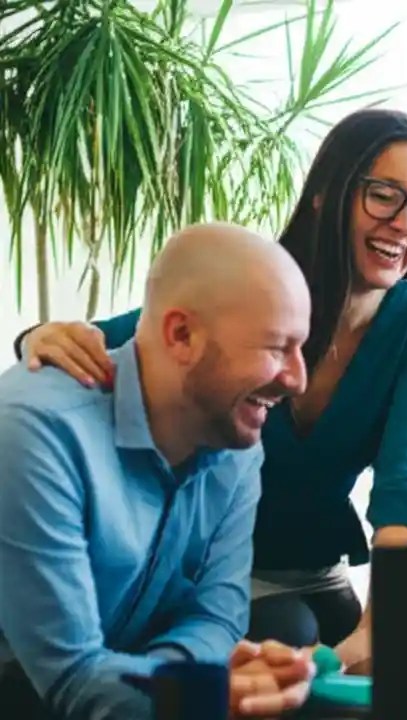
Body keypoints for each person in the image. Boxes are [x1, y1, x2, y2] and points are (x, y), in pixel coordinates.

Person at [13, 109, 407, 669]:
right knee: (290, 639)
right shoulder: (262, 285)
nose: (406, 223)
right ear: (326, 194)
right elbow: (137, 334)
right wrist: (41, 337)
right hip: (219, 576)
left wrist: (375, 630)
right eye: (384, 195)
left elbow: (404, 485)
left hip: (318, 571)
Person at [0, 224, 316, 719]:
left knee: (289, 635)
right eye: (277, 347)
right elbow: (68, 678)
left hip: (114, 665)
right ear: (182, 335)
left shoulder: (237, 442)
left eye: (301, 349)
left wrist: (172, 676)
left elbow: (218, 614)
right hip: (26, 680)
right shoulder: (39, 430)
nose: (298, 380)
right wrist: (191, 693)